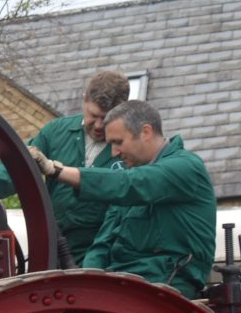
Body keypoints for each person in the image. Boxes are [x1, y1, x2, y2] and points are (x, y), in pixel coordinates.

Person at [40, 98, 218, 298]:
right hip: (125, 286)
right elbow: (103, 243)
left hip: (165, 287)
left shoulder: (186, 168)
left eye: (118, 142)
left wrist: (56, 170)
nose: (114, 153)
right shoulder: (132, 178)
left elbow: (129, 184)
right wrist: (85, 285)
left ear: (146, 132)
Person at [0, 69, 132, 263]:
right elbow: (20, 166)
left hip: (103, 250)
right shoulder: (56, 132)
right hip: (54, 245)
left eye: (106, 118)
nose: (99, 125)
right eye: (94, 115)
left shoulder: (130, 146)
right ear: (84, 100)